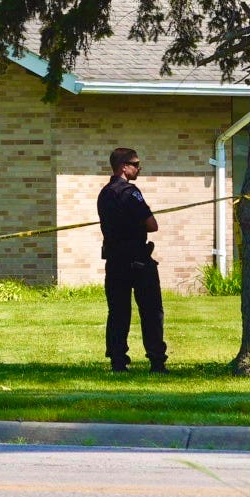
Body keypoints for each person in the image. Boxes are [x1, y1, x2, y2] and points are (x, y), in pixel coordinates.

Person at [98, 147, 167, 373]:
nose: (139, 168)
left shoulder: (104, 194)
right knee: (151, 311)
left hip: (114, 260)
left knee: (118, 312)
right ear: (123, 167)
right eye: (136, 164)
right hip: (137, 260)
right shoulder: (130, 192)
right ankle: (157, 360)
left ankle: (118, 361)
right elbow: (152, 225)